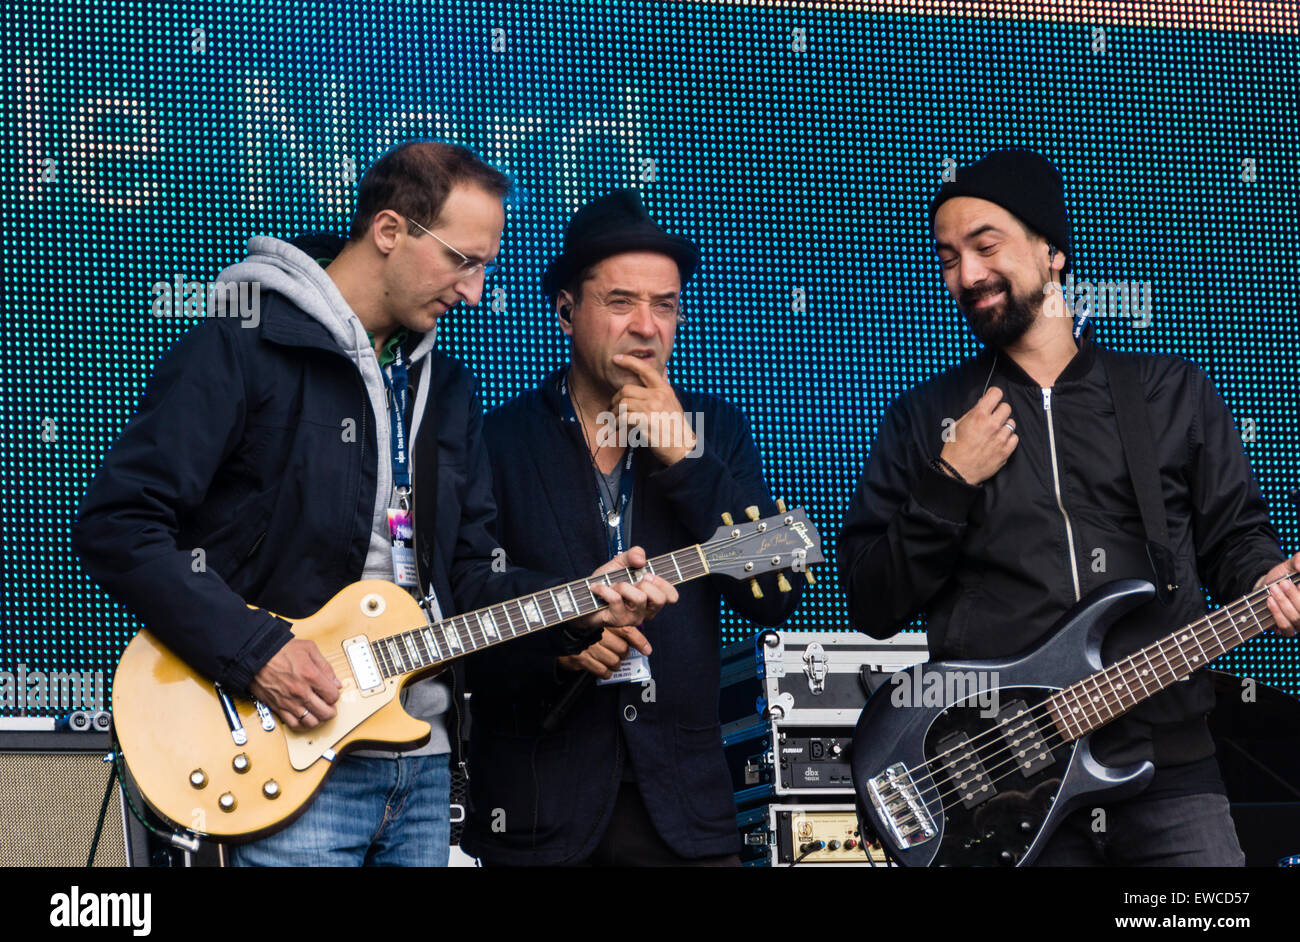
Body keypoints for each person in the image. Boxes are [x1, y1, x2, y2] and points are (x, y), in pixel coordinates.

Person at [72, 143, 675, 867]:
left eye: (486, 267)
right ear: (389, 231)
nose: (476, 292)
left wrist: (579, 603)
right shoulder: (242, 346)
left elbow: (474, 580)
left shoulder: (447, 390)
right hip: (283, 745)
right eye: (463, 260)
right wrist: (257, 652)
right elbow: (119, 523)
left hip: (422, 761)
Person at [838, 148, 1300, 866]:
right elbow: (871, 600)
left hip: (1169, 768)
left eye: (985, 245)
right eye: (948, 257)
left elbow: (1236, 538)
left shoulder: (1166, 392)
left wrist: (1268, 579)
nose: (966, 274)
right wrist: (948, 483)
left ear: (1053, 251)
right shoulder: (923, 419)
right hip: (1003, 786)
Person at [461, 189, 804, 866]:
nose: (647, 326)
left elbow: (780, 588)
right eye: (621, 302)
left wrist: (684, 454)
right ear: (566, 311)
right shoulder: (494, 438)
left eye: (665, 304)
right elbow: (461, 602)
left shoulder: (716, 430)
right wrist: (560, 642)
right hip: (537, 820)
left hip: (685, 817)